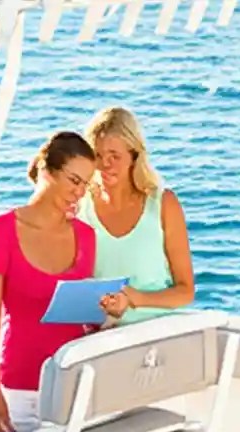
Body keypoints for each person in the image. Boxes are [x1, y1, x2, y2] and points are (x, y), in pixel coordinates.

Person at [0, 131, 97, 432]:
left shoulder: (86, 236)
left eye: (86, 184)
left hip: (72, 385)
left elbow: (85, 319)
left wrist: (104, 310)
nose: (80, 192)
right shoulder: (2, 230)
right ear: (47, 172)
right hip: (19, 389)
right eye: (74, 180)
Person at [76, 107, 195, 324]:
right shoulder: (79, 207)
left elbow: (185, 291)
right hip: (100, 337)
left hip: (157, 332)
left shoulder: (164, 204)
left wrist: (137, 299)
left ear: (134, 156)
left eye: (115, 156)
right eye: (98, 155)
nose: (105, 164)